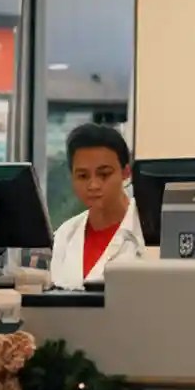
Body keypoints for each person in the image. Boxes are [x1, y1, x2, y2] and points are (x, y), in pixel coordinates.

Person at [49, 123, 144, 290]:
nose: (93, 185)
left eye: (104, 174)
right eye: (83, 176)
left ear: (126, 173)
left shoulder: (147, 231)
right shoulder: (64, 235)